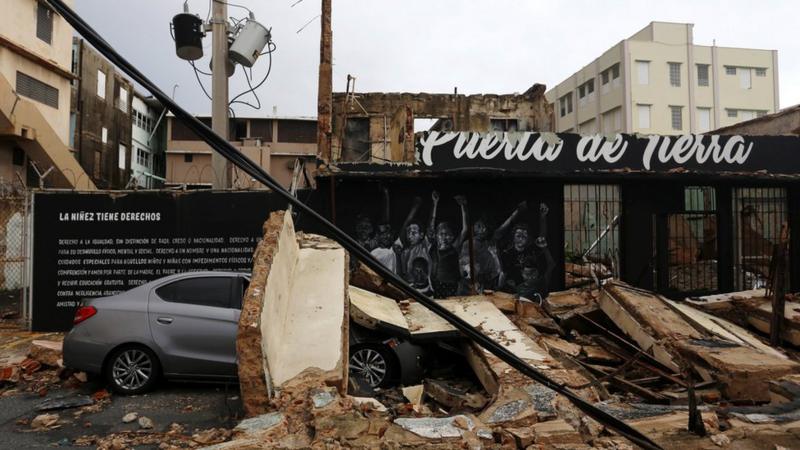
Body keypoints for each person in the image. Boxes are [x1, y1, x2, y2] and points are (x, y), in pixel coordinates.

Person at [460, 201, 527, 293]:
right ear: (474, 226)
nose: (483, 229)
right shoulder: (468, 244)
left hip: (493, 282)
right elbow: (465, 265)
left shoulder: (491, 240)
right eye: (479, 226)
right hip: (475, 283)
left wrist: (517, 211)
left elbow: (504, 226)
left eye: (485, 227)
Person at [500, 203, 550, 293]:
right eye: (518, 235)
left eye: (524, 236)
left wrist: (543, 217)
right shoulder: (507, 253)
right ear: (513, 237)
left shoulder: (531, 250)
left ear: (528, 239)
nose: (521, 238)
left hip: (531, 287)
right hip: (513, 289)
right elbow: (504, 273)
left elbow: (542, 237)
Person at [429, 193, 468, 298]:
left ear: (452, 236)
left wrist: (463, 206)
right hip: (435, 285)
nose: (444, 237)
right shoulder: (434, 247)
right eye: (441, 234)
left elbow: (465, 230)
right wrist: (435, 204)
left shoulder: (454, 247)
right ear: (437, 235)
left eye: (447, 234)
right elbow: (431, 228)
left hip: (451, 286)